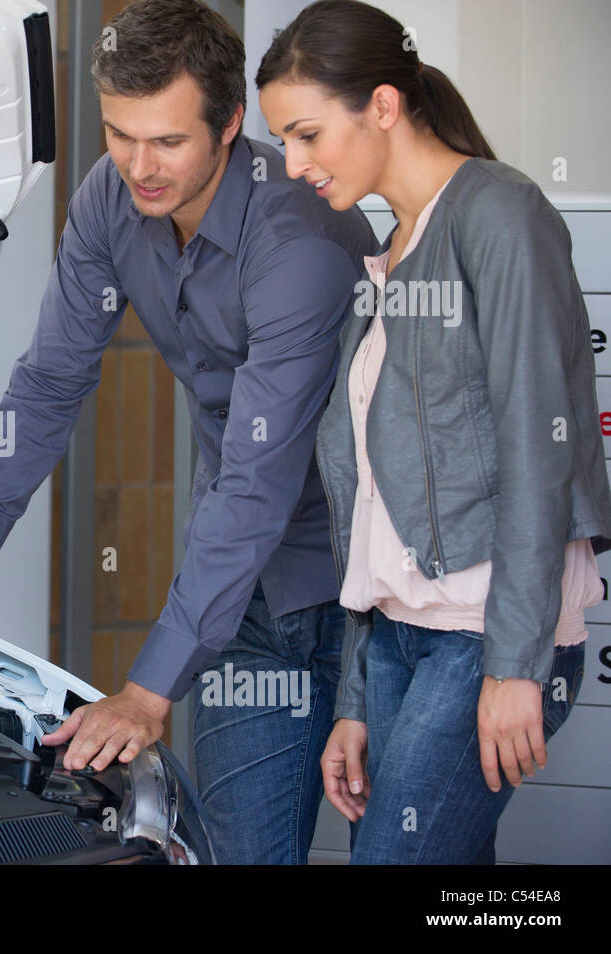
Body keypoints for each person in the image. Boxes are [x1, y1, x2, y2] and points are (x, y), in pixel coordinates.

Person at [0, 0, 377, 864]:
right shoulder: (110, 198)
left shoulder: (299, 242)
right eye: (121, 135)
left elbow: (256, 478)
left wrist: (144, 693)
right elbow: (51, 381)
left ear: (231, 124)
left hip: (370, 597)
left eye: (167, 141)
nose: (140, 166)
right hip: (243, 595)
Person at [257, 0, 611, 864]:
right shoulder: (392, 249)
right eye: (284, 142)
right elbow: (372, 506)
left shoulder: (498, 213)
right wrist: (353, 700)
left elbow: (540, 444)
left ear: (382, 105)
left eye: (307, 134)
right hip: (398, 637)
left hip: (485, 632)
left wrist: (514, 666)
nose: (295, 163)